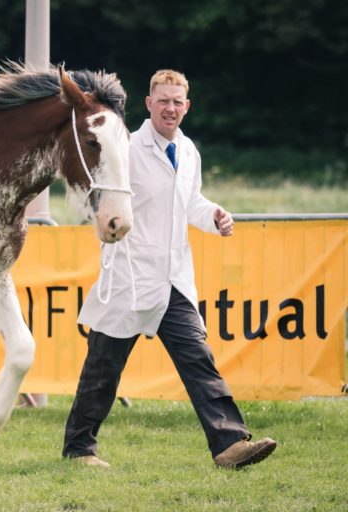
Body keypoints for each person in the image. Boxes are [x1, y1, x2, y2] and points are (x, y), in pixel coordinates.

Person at [63, 69, 276, 469]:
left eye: (177, 101)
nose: (170, 108)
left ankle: (230, 445)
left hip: (173, 279)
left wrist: (213, 214)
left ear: (187, 106)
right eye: (163, 100)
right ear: (149, 104)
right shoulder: (126, 147)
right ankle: (78, 448)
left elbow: (189, 201)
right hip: (129, 276)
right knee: (103, 370)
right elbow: (102, 193)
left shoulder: (190, 151)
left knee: (199, 360)